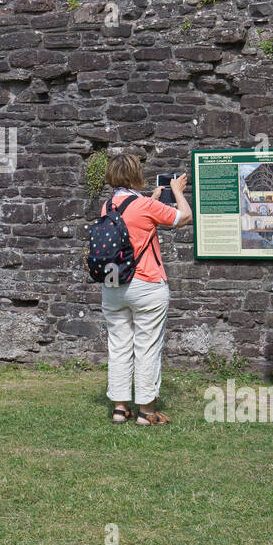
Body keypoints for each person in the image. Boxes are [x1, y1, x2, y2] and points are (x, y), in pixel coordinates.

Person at [99, 154, 192, 426]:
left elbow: (132, 219)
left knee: (118, 347)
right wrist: (176, 192)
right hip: (146, 283)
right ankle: (146, 412)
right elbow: (184, 217)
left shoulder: (107, 206)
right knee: (147, 347)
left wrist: (152, 198)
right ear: (136, 175)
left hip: (114, 283)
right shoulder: (147, 205)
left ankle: (119, 408)